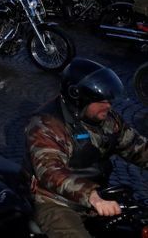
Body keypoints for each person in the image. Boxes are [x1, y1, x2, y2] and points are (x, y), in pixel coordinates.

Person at [25, 59, 147, 238]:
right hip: (55, 201)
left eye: (109, 100)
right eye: (101, 101)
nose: (108, 105)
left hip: (97, 193)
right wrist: (91, 195)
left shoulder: (107, 120)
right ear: (79, 98)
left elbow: (136, 146)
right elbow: (51, 172)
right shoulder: (46, 124)